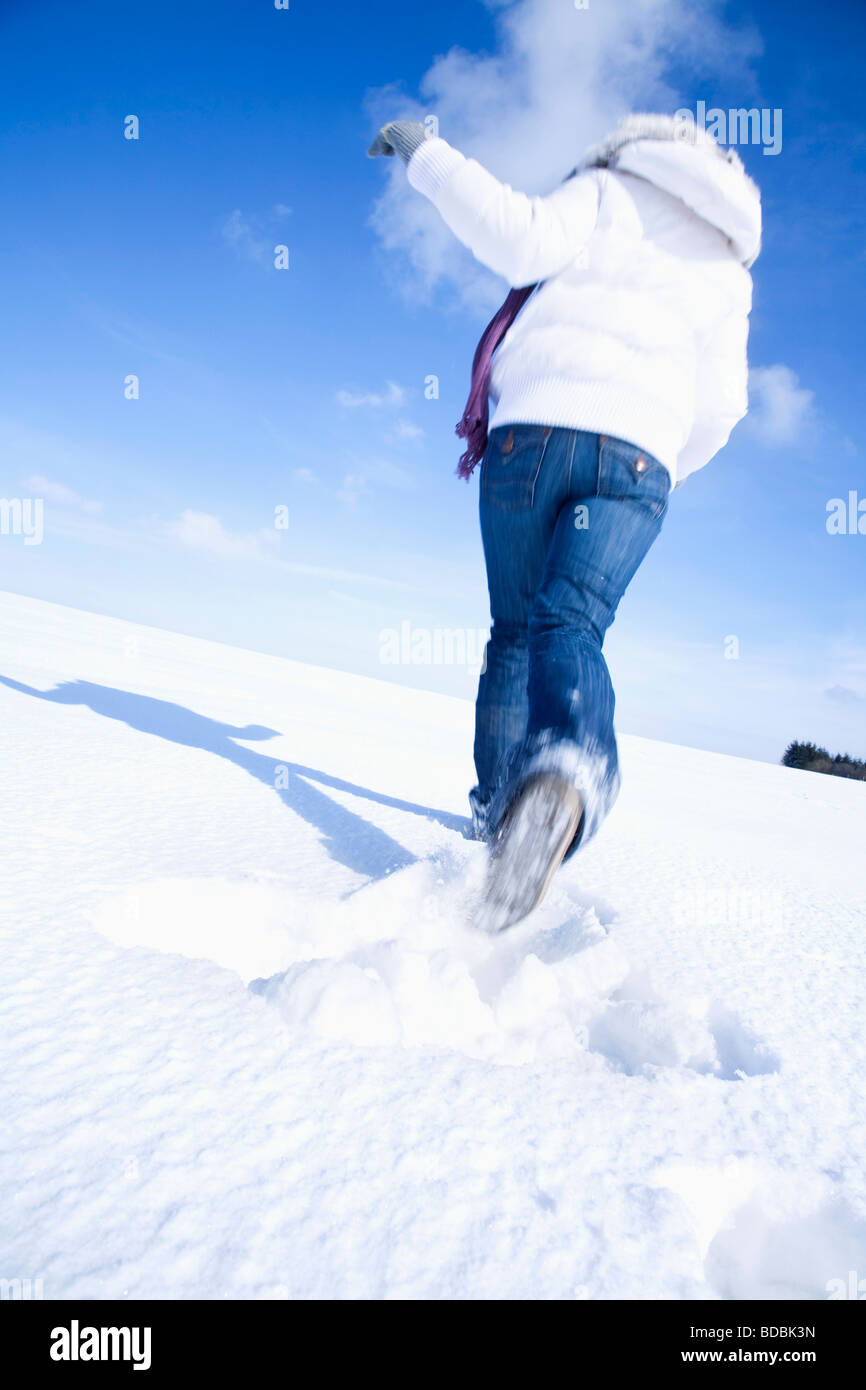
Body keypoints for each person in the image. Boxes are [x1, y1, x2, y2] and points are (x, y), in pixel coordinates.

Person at [368, 113, 761, 929]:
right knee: (571, 624)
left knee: (514, 632)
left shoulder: (608, 188)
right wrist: (657, 460)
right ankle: (568, 767)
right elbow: (723, 407)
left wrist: (424, 149)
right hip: (640, 458)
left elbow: (516, 238)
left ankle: (496, 814)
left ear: (640, 144)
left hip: (536, 432)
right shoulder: (727, 268)